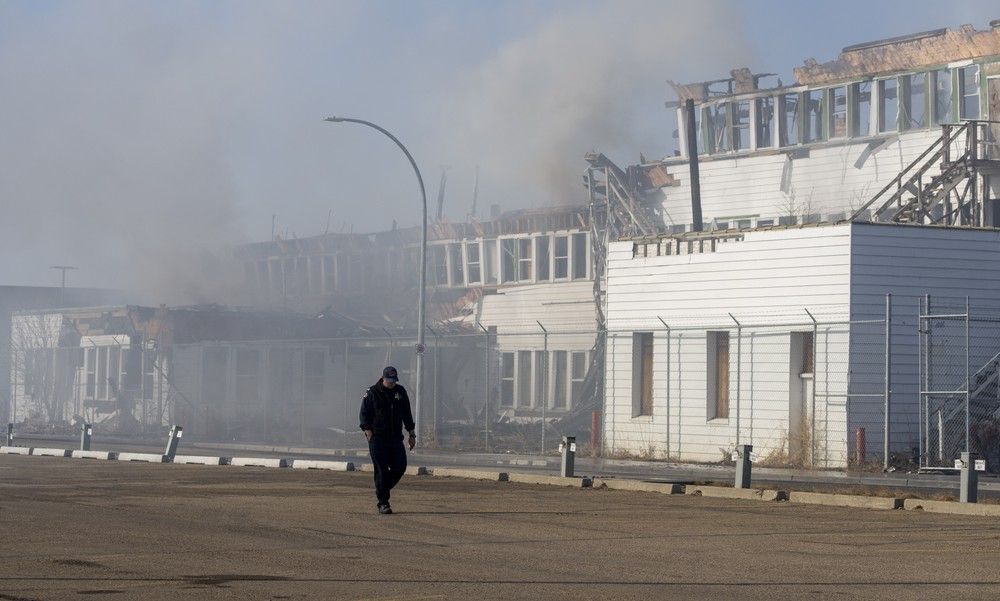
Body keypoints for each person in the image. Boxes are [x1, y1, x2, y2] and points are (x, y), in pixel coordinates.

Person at [359, 366, 416, 514]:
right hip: (378, 439)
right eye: (389, 381)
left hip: (395, 438)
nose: (392, 383)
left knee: (400, 466)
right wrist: (368, 431)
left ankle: (382, 488)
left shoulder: (400, 392)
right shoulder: (372, 393)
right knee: (382, 471)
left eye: (394, 381)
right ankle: (383, 503)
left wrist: (411, 433)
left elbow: (406, 414)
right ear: (383, 378)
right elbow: (364, 414)